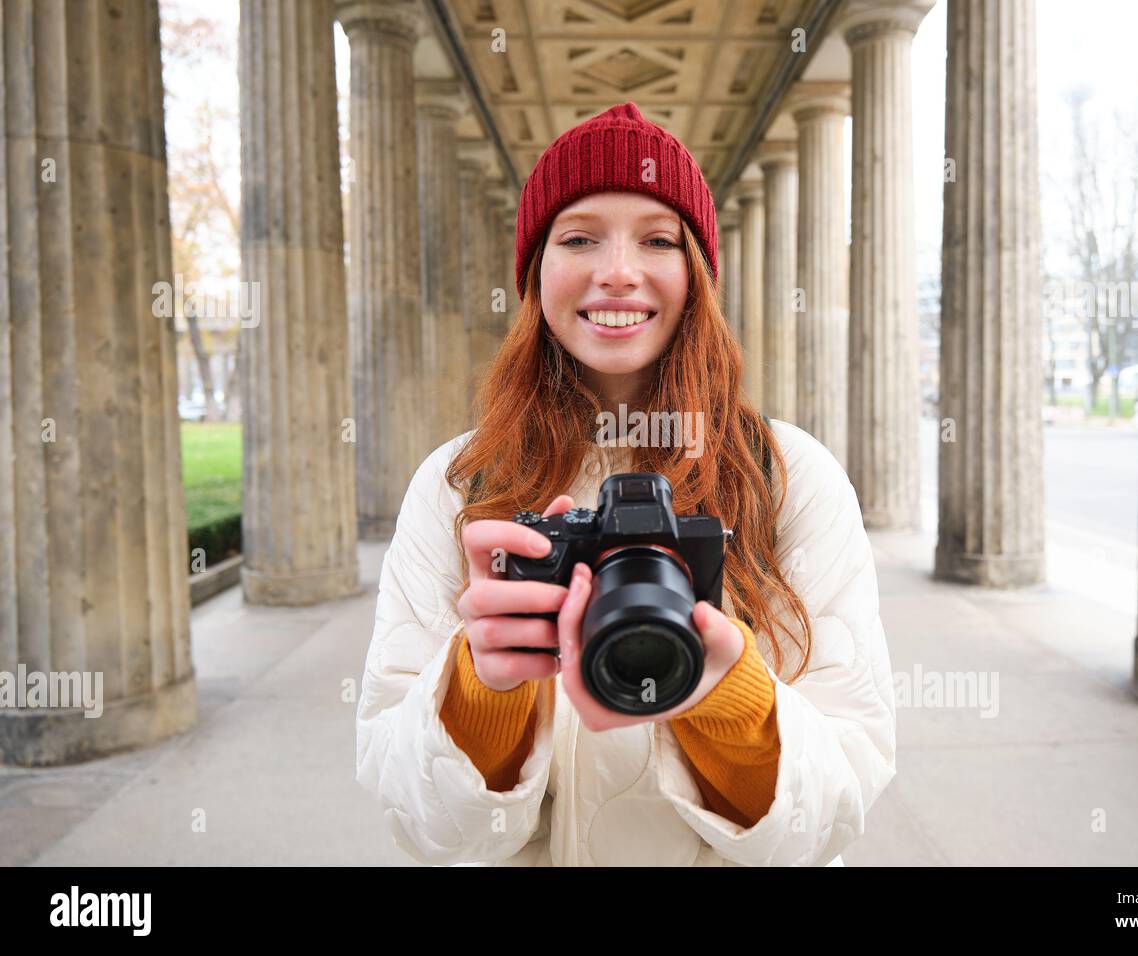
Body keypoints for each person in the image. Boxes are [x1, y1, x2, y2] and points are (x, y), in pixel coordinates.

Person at [355, 102, 897, 866]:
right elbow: (420, 828)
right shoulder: (458, 486)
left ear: (696, 275)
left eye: (657, 240)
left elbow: (838, 805)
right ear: (536, 272)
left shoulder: (788, 475)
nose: (617, 270)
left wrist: (728, 696)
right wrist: (482, 689)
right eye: (578, 237)